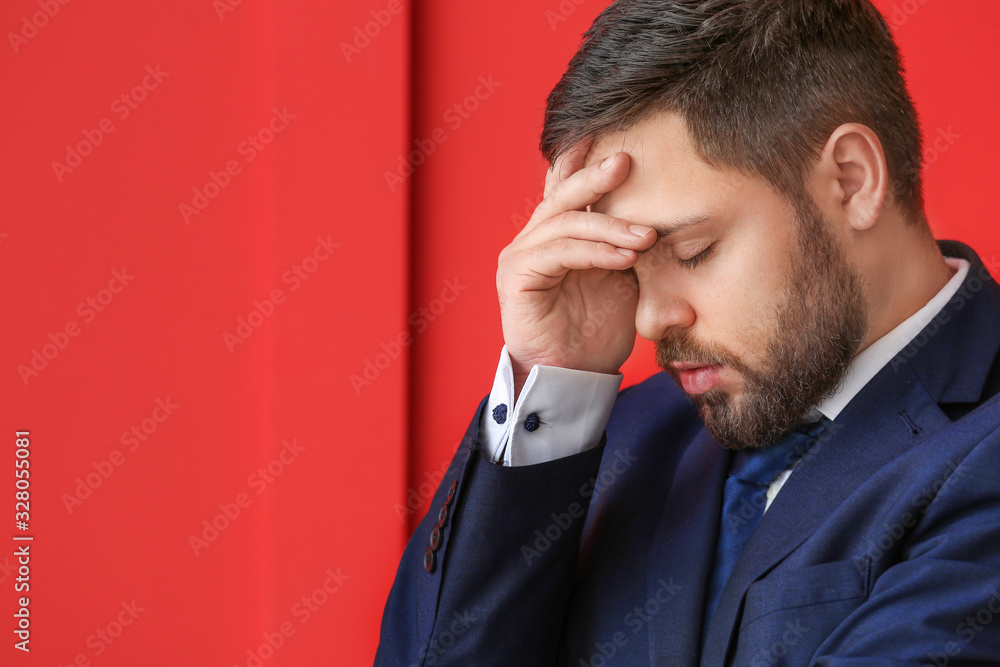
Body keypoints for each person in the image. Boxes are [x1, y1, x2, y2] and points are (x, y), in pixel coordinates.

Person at [376, 0, 1000, 664]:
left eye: (693, 252)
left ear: (851, 181)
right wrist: (553, 380)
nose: (650, 320)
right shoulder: (605, 439)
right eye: (626, 267)